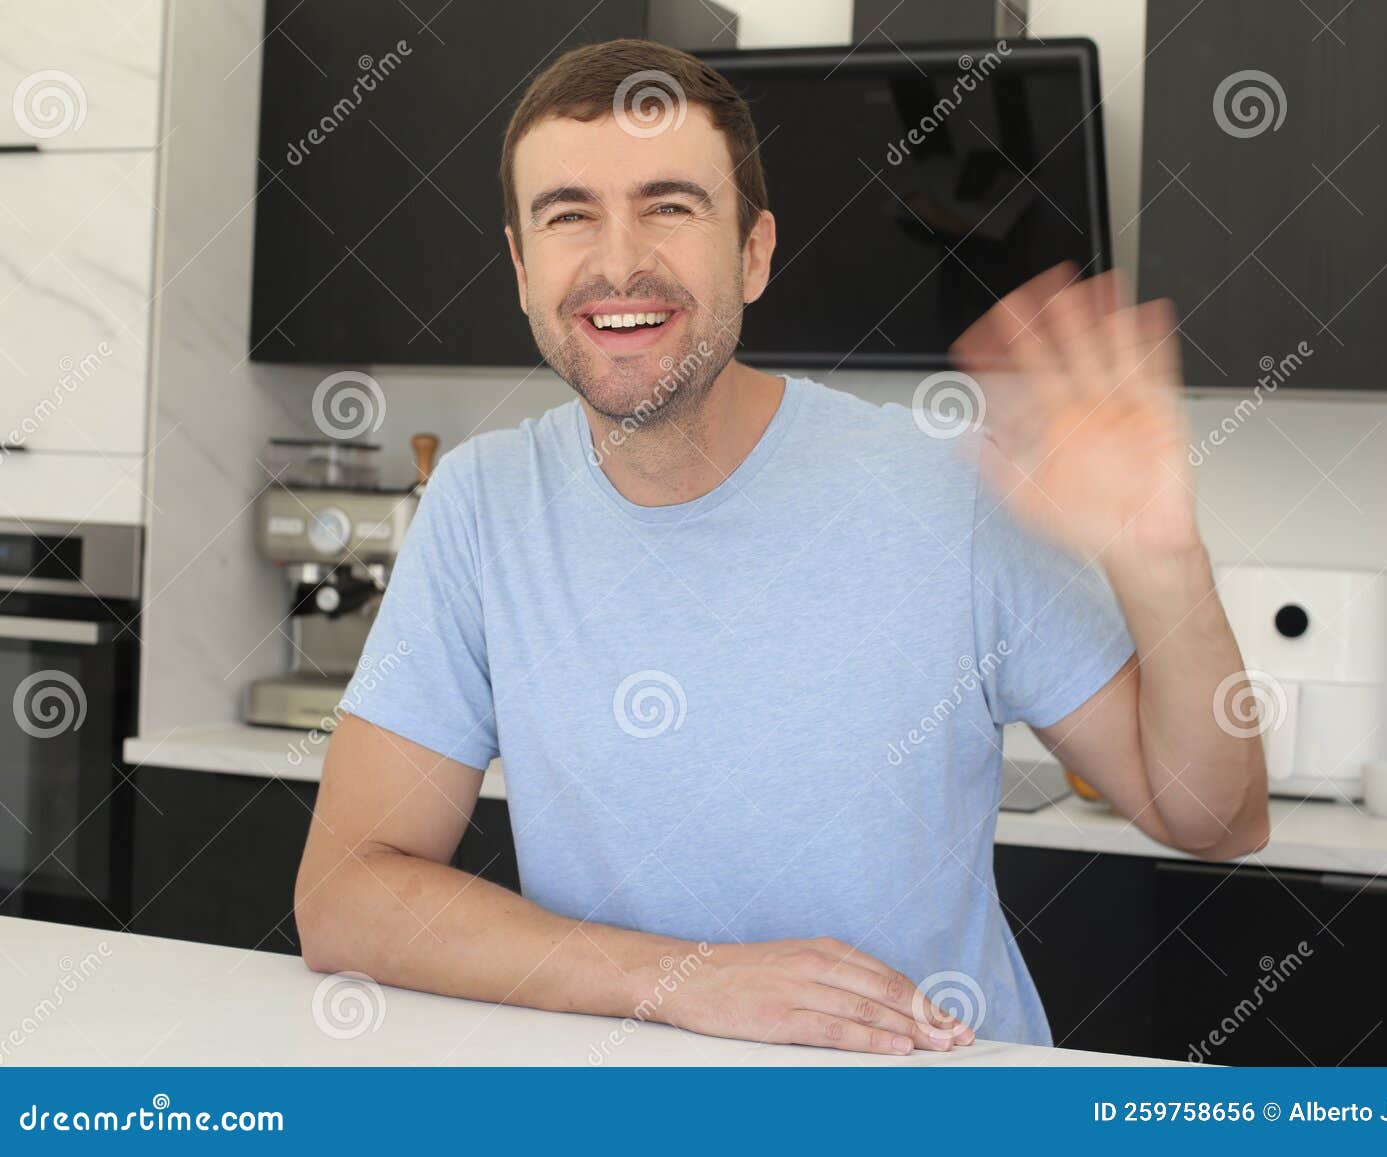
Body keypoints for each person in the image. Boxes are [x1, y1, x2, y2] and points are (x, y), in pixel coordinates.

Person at [294, 38, 1269, 1055]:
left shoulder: (945, 490)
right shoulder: (481, 502)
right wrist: (684, 980)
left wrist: (1158, 550)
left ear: (754, 253)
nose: (618, 258)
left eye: (669, 206)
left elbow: (1216, 818)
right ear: (523, 266)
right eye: (569, 214)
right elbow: (344, 896)